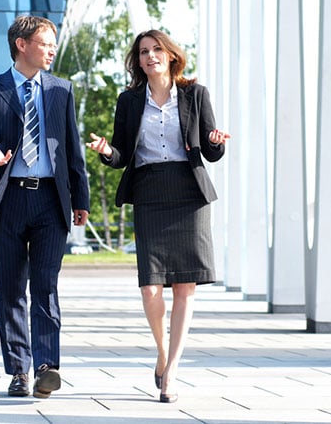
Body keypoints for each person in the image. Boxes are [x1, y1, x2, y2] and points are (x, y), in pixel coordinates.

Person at [86, 29, 230, 403]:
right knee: (150, 287)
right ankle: (162, 354)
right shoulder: (129, 101)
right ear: (138, 60)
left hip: (189, 192)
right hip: (149, 191)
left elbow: (210, 154)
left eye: (156, 50)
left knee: (185, 287)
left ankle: (174, 372)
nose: (150, 56)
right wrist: (105, 150)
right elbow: (121, 155)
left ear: (170, 56)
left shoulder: (196, 94)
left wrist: (214, 141)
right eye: (143, 52)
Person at [0, 15, 90, 399]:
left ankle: (47, 367)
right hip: (8, 200)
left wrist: (80, 199)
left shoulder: (61, 91)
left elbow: (72, 149)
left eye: (53, 44)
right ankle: (19, 370)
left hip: (51, 201)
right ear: (22, 45)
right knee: (11, 289)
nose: (52, 50)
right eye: (46, 43)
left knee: (46, 287)